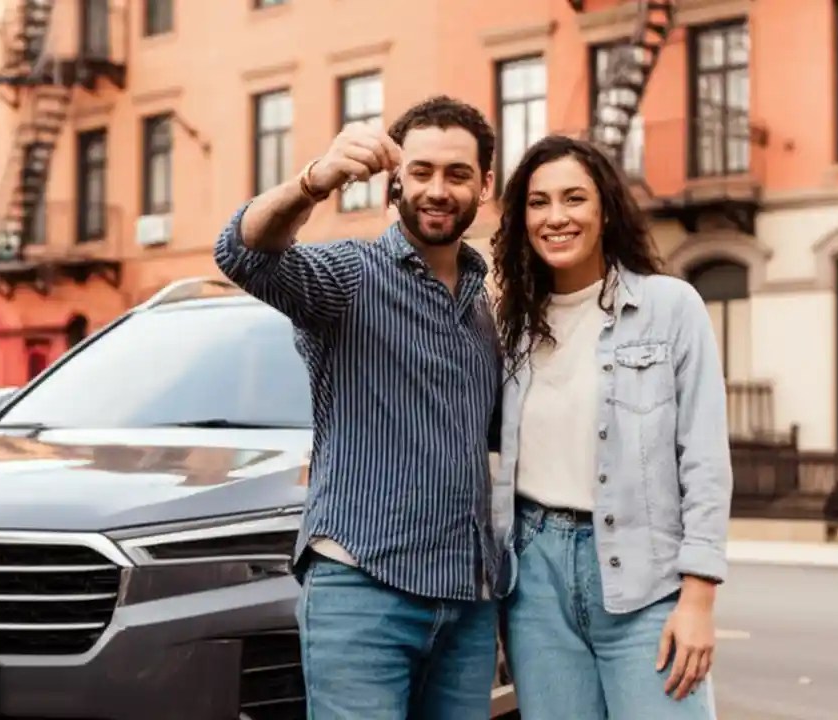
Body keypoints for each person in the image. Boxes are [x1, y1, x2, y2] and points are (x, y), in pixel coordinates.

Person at [213, 96, 503, 720]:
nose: (437, 189)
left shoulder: (484, 310)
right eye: (421, 171)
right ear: (396, 180)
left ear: (485, 184)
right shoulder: (348, 277)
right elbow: (242, 252)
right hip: (363, 592)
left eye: (457, 175)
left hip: (467, 603)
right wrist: (315, 180)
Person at [489, 134, 733, 719]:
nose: (556, 217)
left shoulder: (671, 308)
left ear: (604, 209)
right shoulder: (513, 327)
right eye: (538, 202)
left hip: (646, 578)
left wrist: (698, 598)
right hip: (535, 581)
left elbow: (704, 458)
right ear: (522, 218)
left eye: (574, 198)